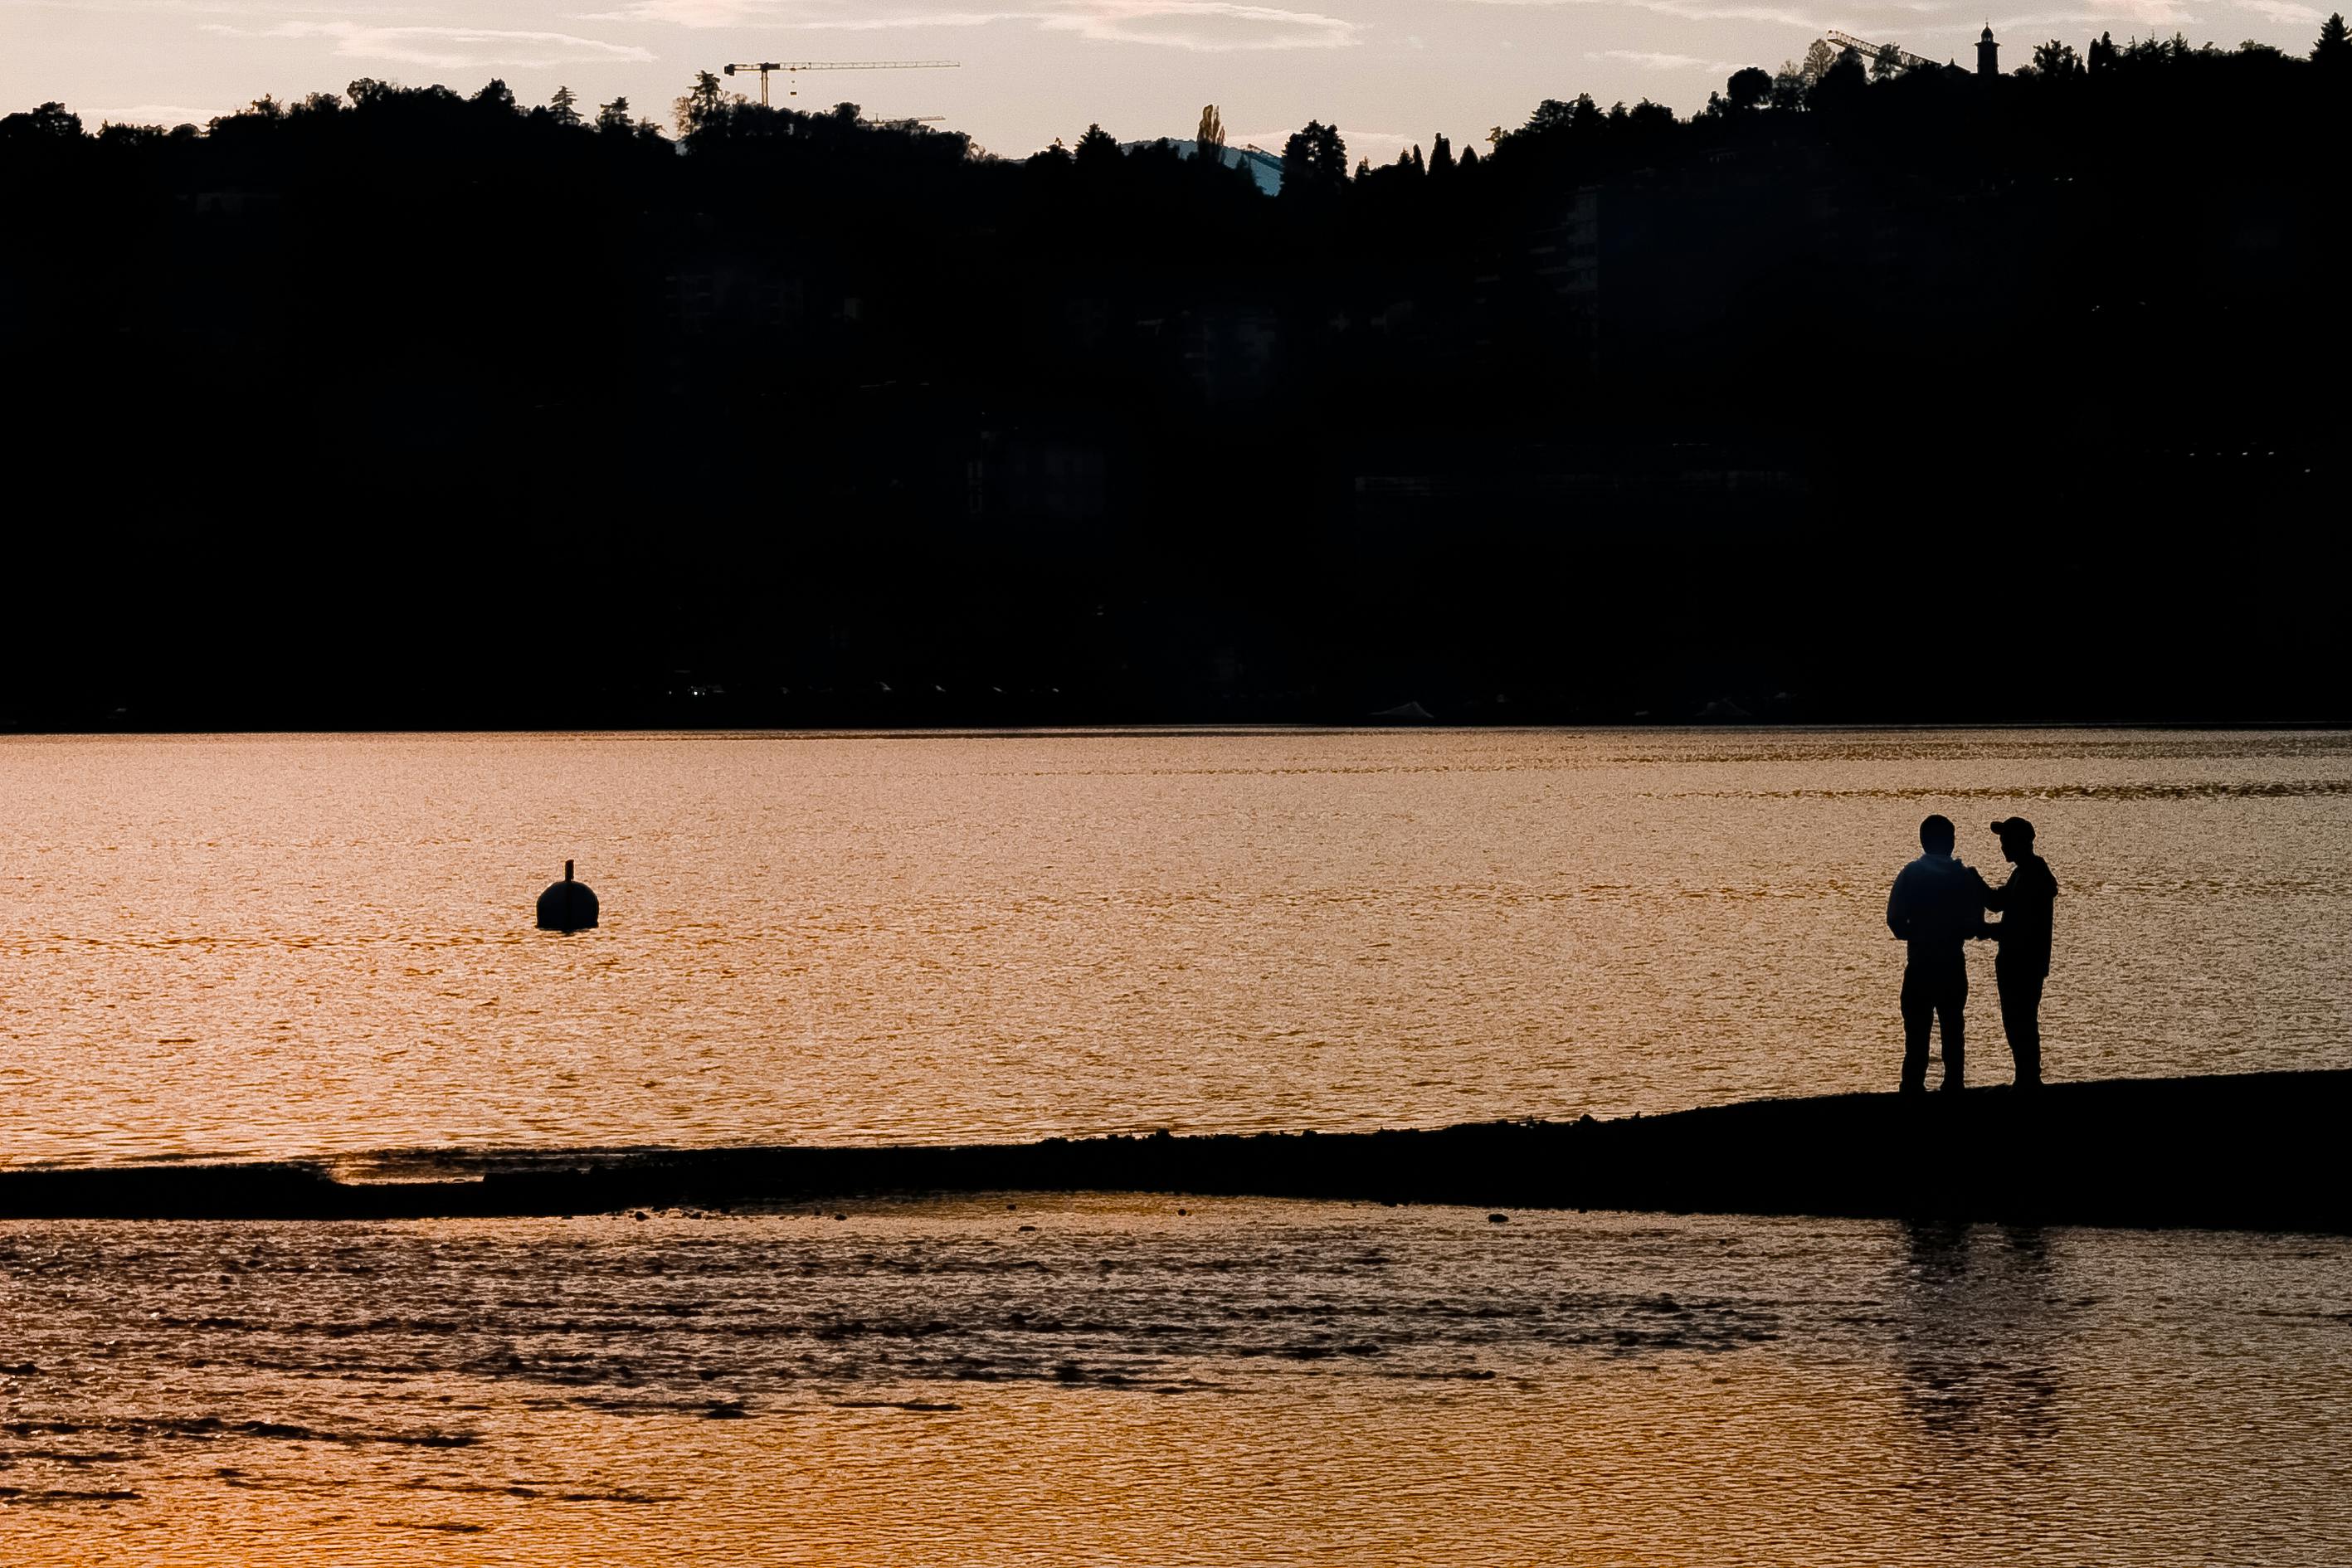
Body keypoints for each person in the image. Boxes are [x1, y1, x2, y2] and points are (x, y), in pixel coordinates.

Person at [1885, 814, 1990, 1093]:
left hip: (1920, 963)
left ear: (1924, 842)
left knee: (1916, 1032)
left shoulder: (1910, 874)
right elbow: (1972, 926)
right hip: (1952, 963)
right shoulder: (1964, 876)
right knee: (1953, 1027)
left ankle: (1912, 1087)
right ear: (1950, 842)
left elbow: (1895, 919)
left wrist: (1917, 933)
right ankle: (1953, 1084)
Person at [1979, 817, 2057, 1088]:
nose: (2002, 846)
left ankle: (2028, 1078)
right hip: (2020, 962)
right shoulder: (2022, 873)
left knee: (2020, 1021)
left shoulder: (2032, 876)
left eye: (2006, 841)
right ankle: (2025, 1076)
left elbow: (2017, 928)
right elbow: (1998, 903)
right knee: (2017, 1021)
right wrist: (1977, 885)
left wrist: (1987, 931)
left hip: (2023, 964)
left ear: (2021, 843)